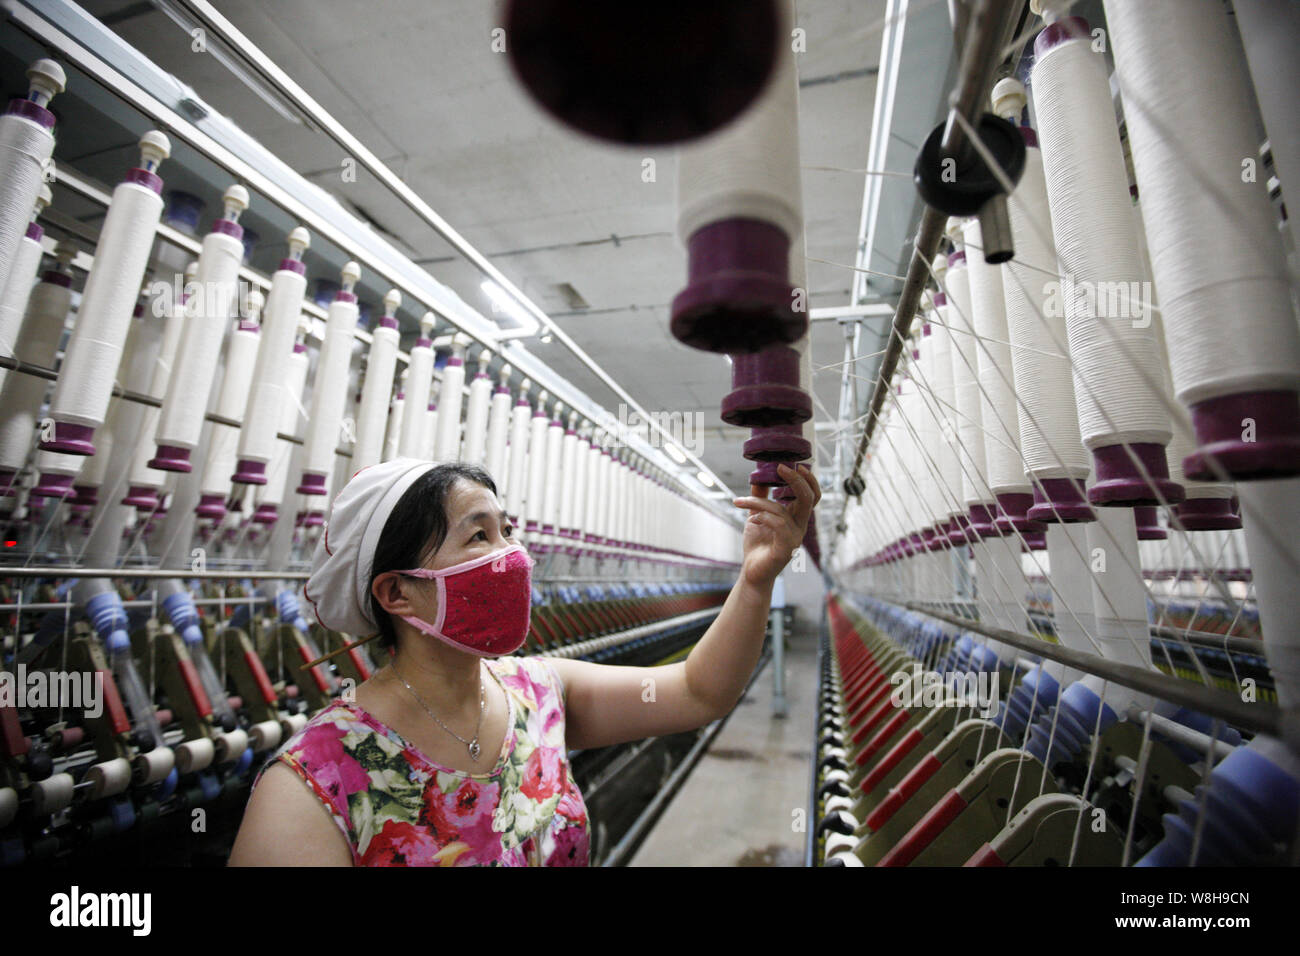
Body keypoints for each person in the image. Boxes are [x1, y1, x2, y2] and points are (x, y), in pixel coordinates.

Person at [228, 456, 819, 866]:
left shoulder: (537, 693)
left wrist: (755, 579)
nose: (512, 554)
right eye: (478, 537)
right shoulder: (316, 784)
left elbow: (698, 692)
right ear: (397, 593)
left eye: (507, 530)